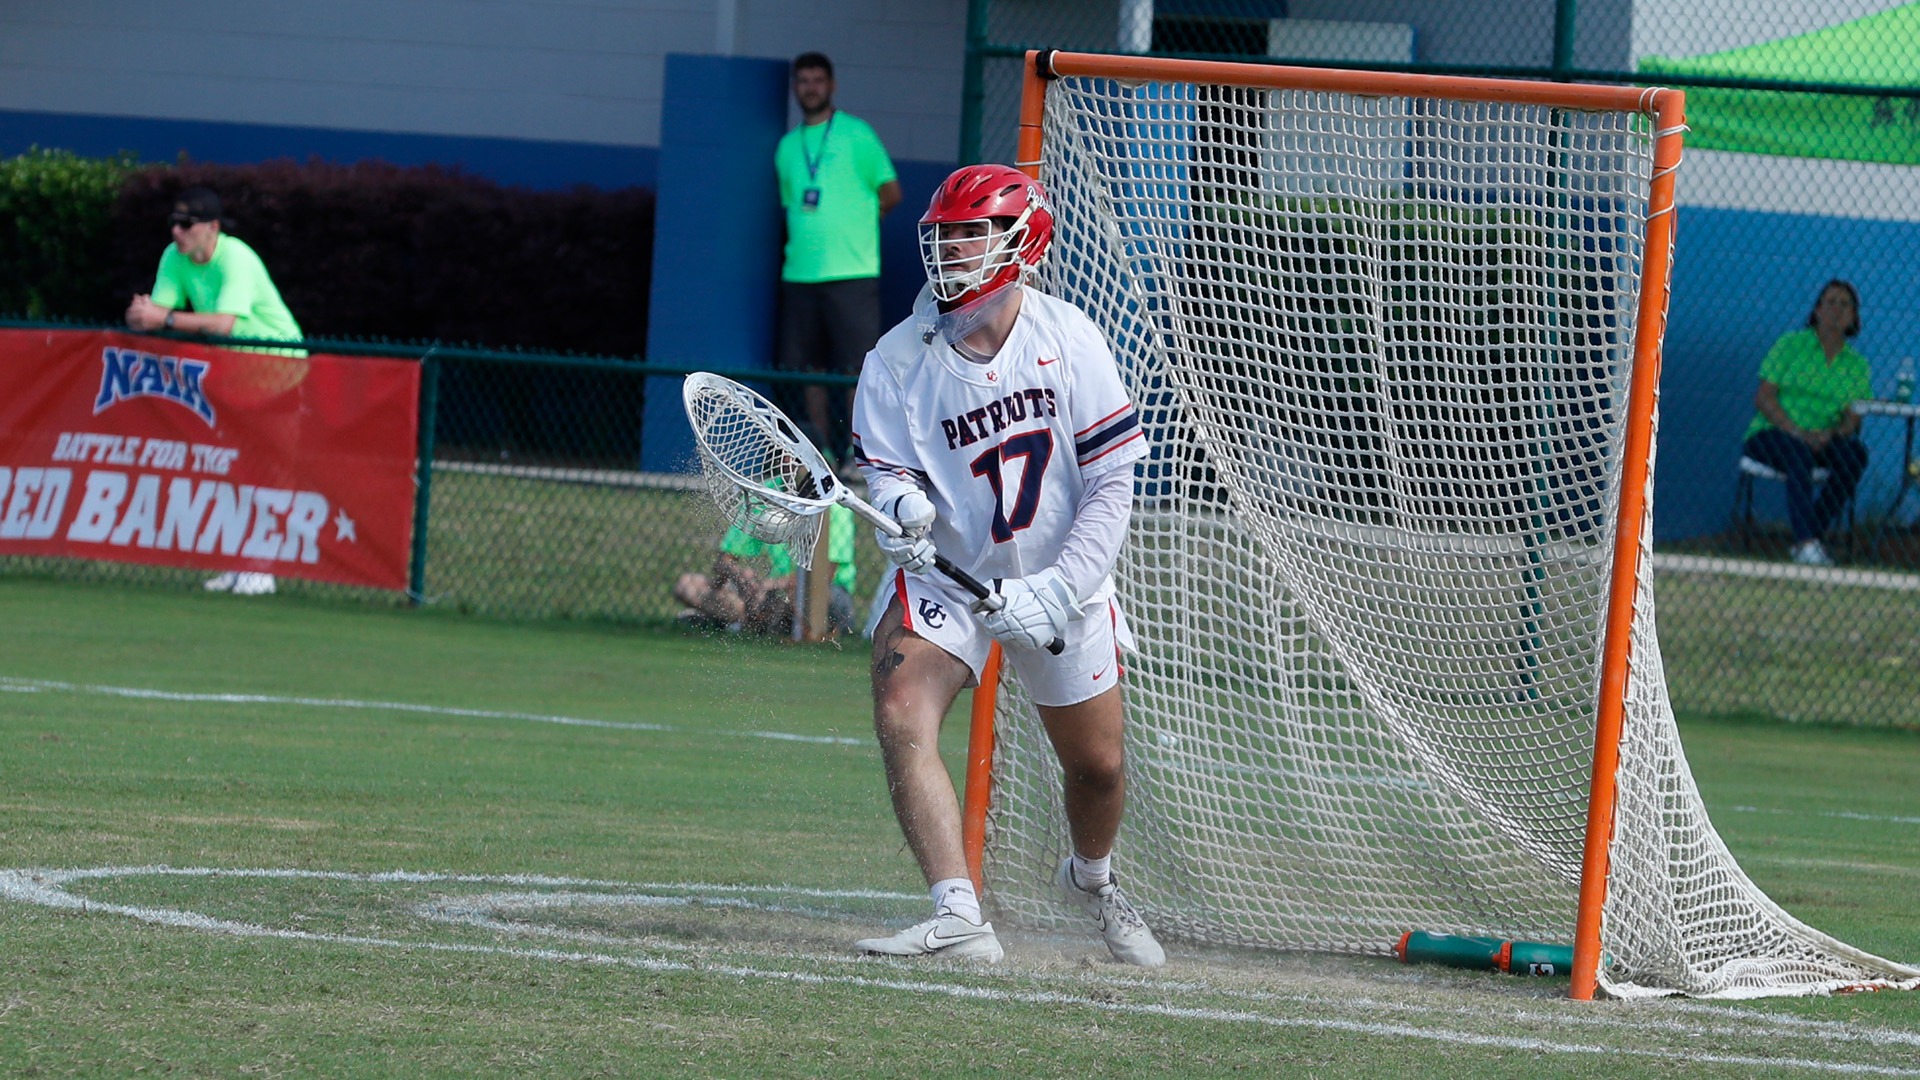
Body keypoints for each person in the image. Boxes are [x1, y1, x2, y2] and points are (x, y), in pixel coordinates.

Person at [847, 164, 1162, 967]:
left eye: (969, 232)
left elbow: (1113, 481)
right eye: (943, 233)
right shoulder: (894, 360)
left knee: (1097, 767)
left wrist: (1060, 588)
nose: (950, 248)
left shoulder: (1069, 338)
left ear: (1021, 242)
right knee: (900, 711)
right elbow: (887, 472)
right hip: (949, 574)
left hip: (1064, 578)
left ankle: (1092, 877)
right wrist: (902, 506)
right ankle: (957, 912)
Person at [125, 186, 305, 597]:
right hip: (233, 375)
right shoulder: (174, 257)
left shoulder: (236, 257)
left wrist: (162, 316)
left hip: (280, 372)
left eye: (186, 224)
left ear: (212, 228)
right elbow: (157, 317)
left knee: (270, 470)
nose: (177, 231)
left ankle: (262, 569)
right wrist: (141, 315)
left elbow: (222, 324)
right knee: (232, 468)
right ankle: (237, 564)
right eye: (173, 222)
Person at [774, 52, 902, 464]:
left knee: (854, 369)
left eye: (817, 80)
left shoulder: (857, 135)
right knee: (809, 369)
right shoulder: (787, 148)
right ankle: (822, 451)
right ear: (796, 88)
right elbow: (792, 203)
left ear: (831, 86)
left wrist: (856, 230)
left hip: (853, 273)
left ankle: (856, 453)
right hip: (800, 275)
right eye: (803, 80)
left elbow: (891, 195)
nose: (810, 87)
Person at [1741, 279, 1871, 567]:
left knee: (1855, 455)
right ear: (1817, 310)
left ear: (1854, 317)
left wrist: (1831, 433)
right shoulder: (1791, 345)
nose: (1837, 309)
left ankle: (1810, 536)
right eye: (1830, 302)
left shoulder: (1857, 364)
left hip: (1824, 438)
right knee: (1797, 452)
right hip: (1774, 434)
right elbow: (1764, 397)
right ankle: (1807, 542)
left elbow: (1854, 418)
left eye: (1845, 304)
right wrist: (1797, 431)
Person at [673, 503, 858, 637]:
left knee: (796, 595)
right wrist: (740, 576)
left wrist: (768, 585)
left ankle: (746, 624)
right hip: (773, 594)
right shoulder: (764, 495)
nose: (789, 459)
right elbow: (724, 561)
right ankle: (751, 621)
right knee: (688, 585)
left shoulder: (832, 504)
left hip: (825, 594)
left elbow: (824, 575)